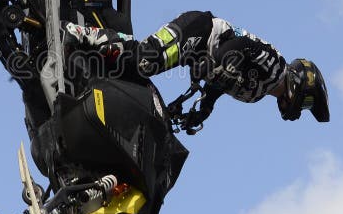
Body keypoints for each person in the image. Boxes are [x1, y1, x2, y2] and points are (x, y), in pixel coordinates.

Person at [63, 10, 329, 132]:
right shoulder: (275, 68)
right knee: (146, 60)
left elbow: (221, 84)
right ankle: (80, 33)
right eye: (307, 103)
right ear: (300, 84)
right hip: (201, 31)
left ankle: (91, 57)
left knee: (136, 73)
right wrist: (223, 62)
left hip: (199, 52)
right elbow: (241, 45)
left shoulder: (257, 94)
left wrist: (205, 107)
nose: (300, 112)